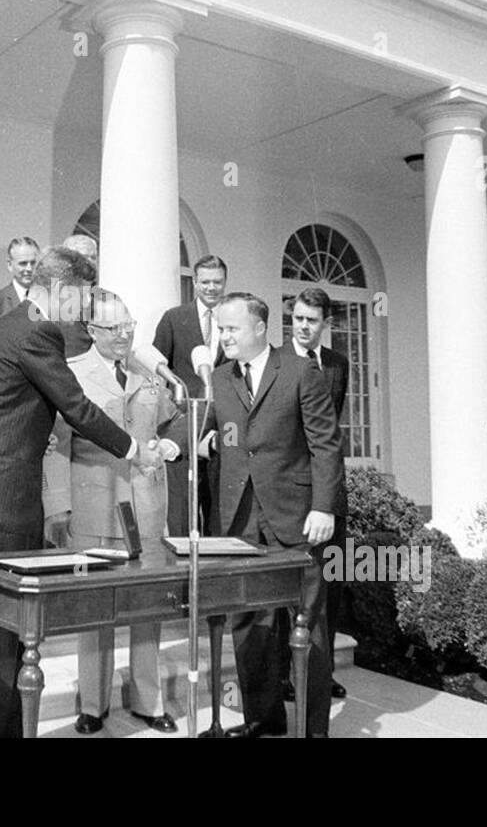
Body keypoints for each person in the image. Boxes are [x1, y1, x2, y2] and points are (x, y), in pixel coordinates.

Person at [0, 247, 166, 738]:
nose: (85, 307)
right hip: (0, 499)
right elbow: (77, 407)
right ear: (62, 289)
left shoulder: (16, 321)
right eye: (84, 296)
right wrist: (134, 448)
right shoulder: (36, 332)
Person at [203, 292, 344, 738]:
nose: (223, 336)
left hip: (299, 517)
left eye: (231, 329)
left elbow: (326, 444)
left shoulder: (301, 371)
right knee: (250, 623)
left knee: (308, 625)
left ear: (259, 329)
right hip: (240, 521)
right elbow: (221, 431)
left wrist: (323, 506)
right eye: (220, 328)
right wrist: (189, 442)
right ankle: (264, 719)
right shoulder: (222, 379)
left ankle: (314, 729)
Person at [43, 290, 181, 735]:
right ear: (91, 330)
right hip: (93, 503)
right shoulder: (72, 374)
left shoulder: (148, 372)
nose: (124, 337)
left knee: (148, 607)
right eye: (114, 329)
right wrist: (57, 505)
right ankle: (93, 704)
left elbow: (170, 419)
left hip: (145, 504)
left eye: (129, 328)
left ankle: (147, 699)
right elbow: (55, 444)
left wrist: (170, 442)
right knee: (95, 607)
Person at [282, 287, 350, 701]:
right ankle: (287, 677)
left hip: (328, 492)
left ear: (326, 324)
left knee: (330, 587)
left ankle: (318, 675)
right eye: (299, 318)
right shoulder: (276, 362)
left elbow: (329, 432)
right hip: (288, 492)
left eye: (312, 320)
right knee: (290, 593)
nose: (304, 327)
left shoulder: (338, 364)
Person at [153, 254, 228, 537]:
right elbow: (158, 372)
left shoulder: (233, 320)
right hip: (182, 428)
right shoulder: (174, 318)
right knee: (182, 516)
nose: (211, 288)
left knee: (218, 514)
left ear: (225, 282)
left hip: (221, 431)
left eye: (217, 282)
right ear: (195, 282)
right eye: (205, 282)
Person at [0, 236, 39, 334]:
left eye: (33, 263)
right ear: (10, 265)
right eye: (23, 263)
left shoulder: (49, 301)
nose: (29, 269)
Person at [58, 234, 98, 356]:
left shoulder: (105, 299)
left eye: (93, 257)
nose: (90, 263)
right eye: (84, 258)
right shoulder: (54, 300)